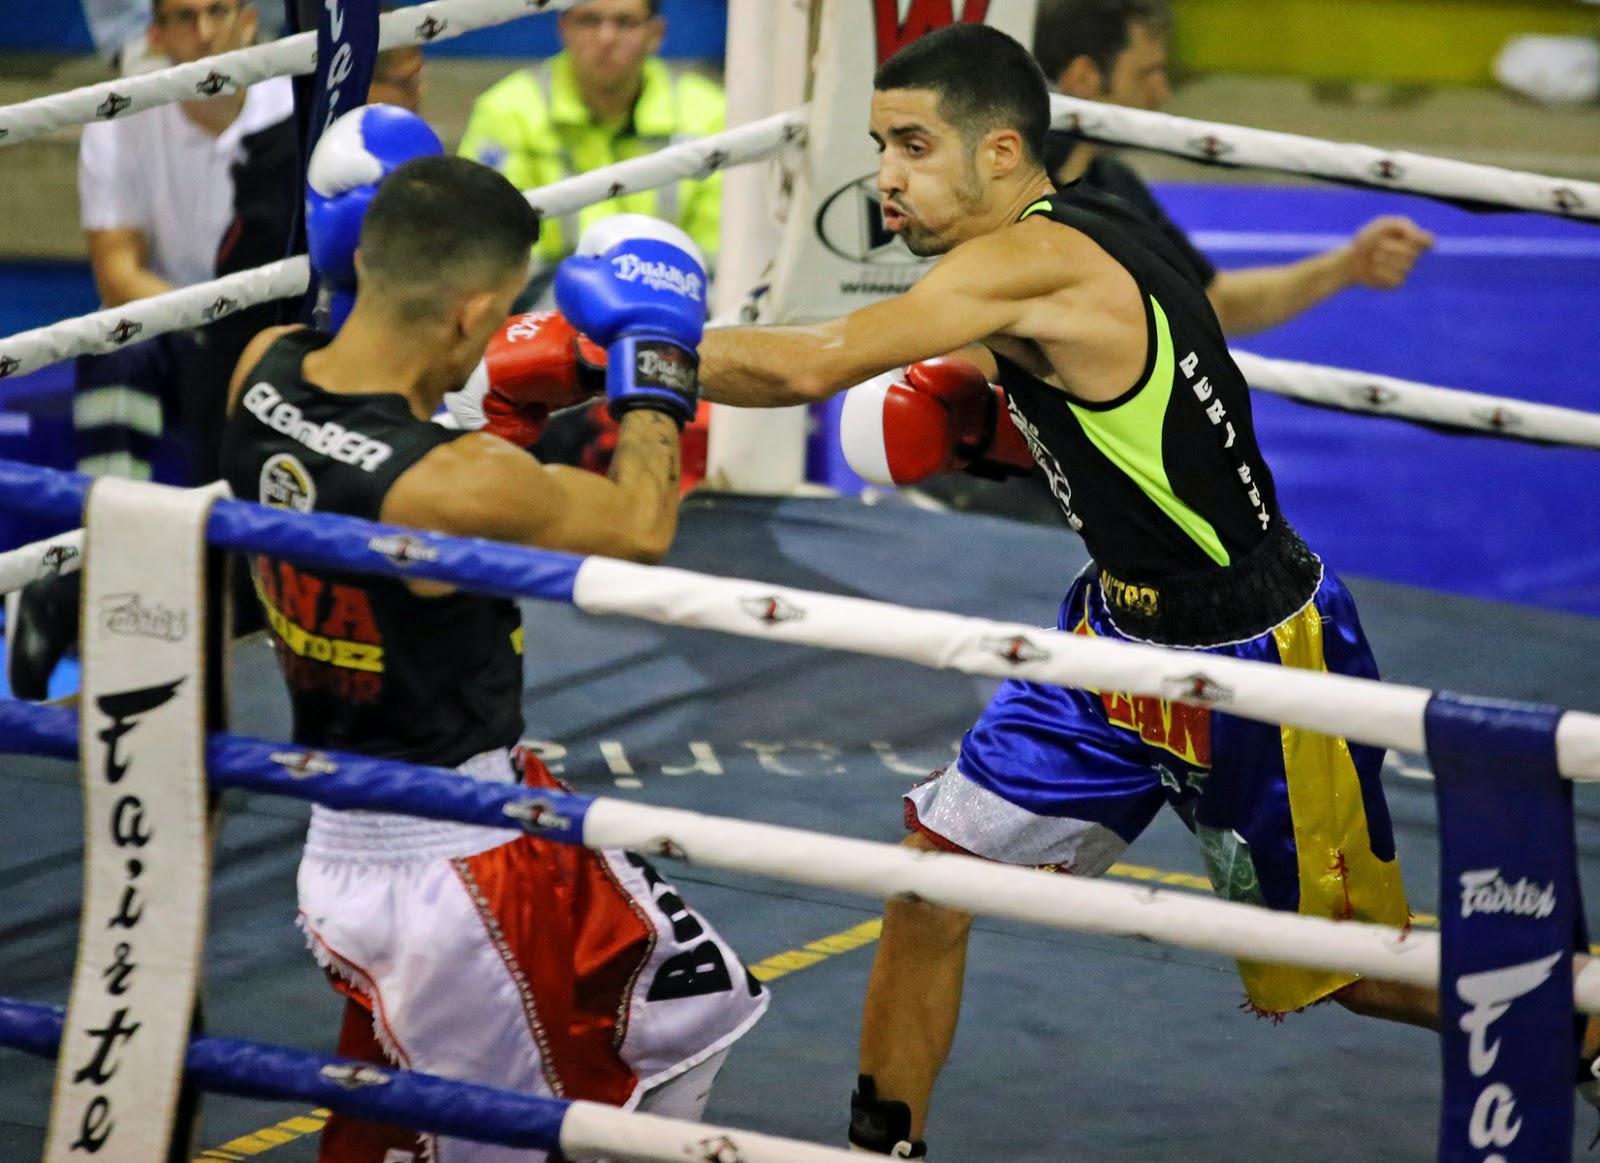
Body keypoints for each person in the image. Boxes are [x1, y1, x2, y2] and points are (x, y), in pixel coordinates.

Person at [625, 23, 1437, 1157]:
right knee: (930, 883)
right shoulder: (1081, 232)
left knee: (1357, 972)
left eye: (913, 146)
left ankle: (1585, 1021)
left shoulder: (1020, 265)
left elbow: (812, 361)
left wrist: (622, 349)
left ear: (1000, 152)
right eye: (880, 145)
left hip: (1258, 659)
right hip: (1111, 638)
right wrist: (985, 416)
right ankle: (880, 1146)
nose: (886, 176)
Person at [218, 132, 766, 1160]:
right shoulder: (455, 486)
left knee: (687, 1000)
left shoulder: (262, 371)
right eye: (503, 312)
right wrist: (655, 351)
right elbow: (639, 522)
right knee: (495, 1144)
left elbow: (389, 422)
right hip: (452, 862)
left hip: (412, 803)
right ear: (474, 312)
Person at [7, 0, 293, 701]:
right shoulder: (123, 110)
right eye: (185, 18)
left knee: (260, 369)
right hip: (175, 326)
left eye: (218, 11)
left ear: (249, 19)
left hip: (265, 331)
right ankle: (112, 574)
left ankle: (76, 591)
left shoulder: (294, 101)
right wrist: (206, 322)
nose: (205, 34)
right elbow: (118, 273)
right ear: (156, 33)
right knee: (119, 345)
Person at [1034, 0, 1434, 338]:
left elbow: (1215, 305)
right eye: (1146, 73)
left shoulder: (1115, 187)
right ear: (1083, 78)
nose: (1162, 93)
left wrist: (1347, 266)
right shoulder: (1010, 189)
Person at [456, 0, 726, 295]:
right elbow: (488, 248)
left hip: (678, 301)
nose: (606, 38)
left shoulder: (710, 114)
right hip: (539, 307)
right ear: (564, 28)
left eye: (624, 23)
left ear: (656, 34)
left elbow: (719, 252)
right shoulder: (506, 111)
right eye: (589, 21)